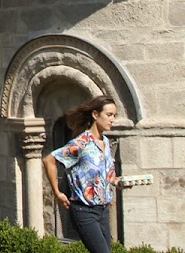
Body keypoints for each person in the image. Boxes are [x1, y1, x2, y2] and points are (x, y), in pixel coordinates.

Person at [42, 94, 129, 253]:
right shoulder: (81, 144)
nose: (112, 120)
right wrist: (57, 192)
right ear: (95, 115)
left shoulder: (106, 143)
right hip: (84, 211)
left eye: (114, 116)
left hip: (102, 211)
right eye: (109, 115)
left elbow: (106, 175)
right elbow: (49, 160)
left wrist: (118, 182)